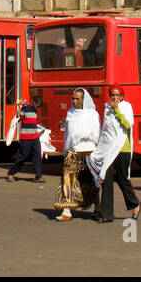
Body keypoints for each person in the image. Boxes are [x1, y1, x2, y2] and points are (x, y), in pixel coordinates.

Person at [87, 85, 140, 223]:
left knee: (122, 179)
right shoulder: (107, 109)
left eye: (117, 95)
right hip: (109, 150)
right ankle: (106, 214)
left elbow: (128, 125)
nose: (115, 98)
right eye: (112, 95)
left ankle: (135, 203)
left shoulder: (126, 107)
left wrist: (117, 110)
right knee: (106, 179)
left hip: (123, 149)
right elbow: (106, 131)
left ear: (122, 97)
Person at [54, 88, 100, 221]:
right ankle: (66, 210)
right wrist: (66, 149)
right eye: (73, 98)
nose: (74, 101)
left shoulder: (92, 114)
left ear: (84, 100)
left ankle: (97, 206)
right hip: (72, 150)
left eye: (77, 99)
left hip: (88, 151)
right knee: (67, 180)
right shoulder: (71, 113)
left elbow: (96, 133)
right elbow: (68, 133)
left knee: (90, 180)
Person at [2, 97, 44, 182]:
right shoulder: (25, 109)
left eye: (39, 106)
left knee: (37, 156)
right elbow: (18, 117)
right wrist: (20, 108)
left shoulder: (35, 111)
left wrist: (39, 131)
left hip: (35, 137)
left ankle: (38, 176)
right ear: (33, 102)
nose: (37, 107)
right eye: (37, 105)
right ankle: (11, 173)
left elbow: (33, 124)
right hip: (25, 138)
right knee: (23, 156)